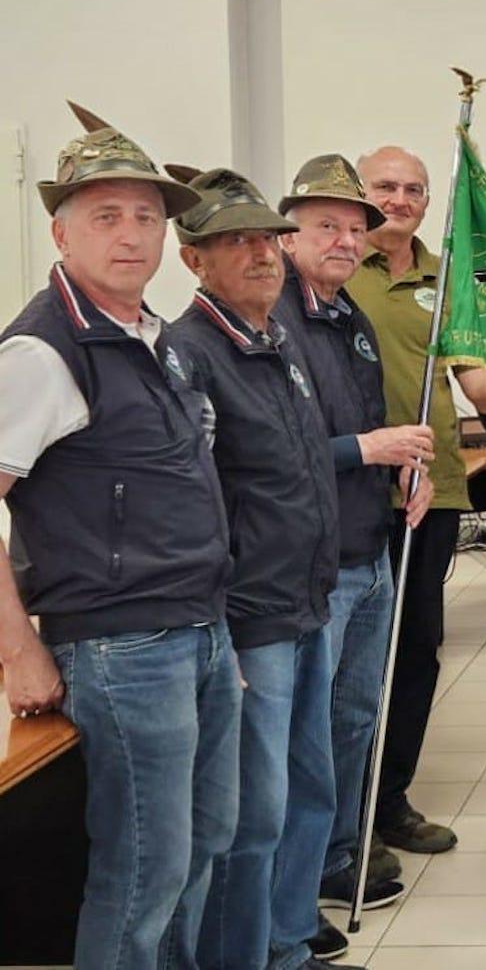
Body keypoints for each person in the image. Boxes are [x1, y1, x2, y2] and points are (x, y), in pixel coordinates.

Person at [0, 105, 237, 970]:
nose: (130, 233)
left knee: (203, 841)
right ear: (61, 232)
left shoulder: (153, 337)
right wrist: (17, 650)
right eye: (106, 215)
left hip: (198, 629)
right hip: (122, 644)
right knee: (141, 873)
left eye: (145, 215)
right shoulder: (42, 349)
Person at [167, 166, 342, 970]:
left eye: (268, 237)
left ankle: (287, 943)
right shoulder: (190, 354)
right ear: (192, 257)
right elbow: (194, 504)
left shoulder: (276, 341)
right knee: (248, 817)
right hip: (249, 621)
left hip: (306, 602)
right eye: (235, 241)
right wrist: (220, 627)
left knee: (309, 791)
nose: (262, 253)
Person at [272, 155, 435, 959]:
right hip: (311, 564)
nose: (344, 239)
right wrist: (366, 447)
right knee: (303, 737)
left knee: (351, 721)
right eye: (326, 225)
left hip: (370, 549)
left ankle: (337, 857)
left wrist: (401, 466)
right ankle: (292, 898)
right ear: (288, 233)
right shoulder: (270, 320)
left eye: (352, 227)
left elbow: (371, 426)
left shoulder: (349, 318)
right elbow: (269, 448)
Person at [345, 145, 465, 855]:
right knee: (352, 660)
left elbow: (477, 380)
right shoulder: (331, 272)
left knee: (416, 651)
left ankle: (390, 801)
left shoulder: (442, 277)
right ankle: (339, 813)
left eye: (413, 188)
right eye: (385, 186)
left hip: (433, 492)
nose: (400, 198)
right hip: (352, 491)